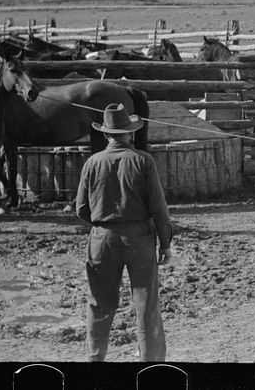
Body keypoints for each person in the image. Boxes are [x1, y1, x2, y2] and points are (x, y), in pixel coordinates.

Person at [76, 103, 173, 361]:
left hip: (102, 239)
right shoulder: (143, 161)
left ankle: (95, 359)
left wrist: (103, 226)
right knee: (146, 304)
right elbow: (159, 209)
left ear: (107, 135)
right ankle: (150, 362)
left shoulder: (92, 163)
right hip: (139, 239)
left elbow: (81, 209)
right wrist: (165, 243)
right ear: (129, 134)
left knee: (99, 303)